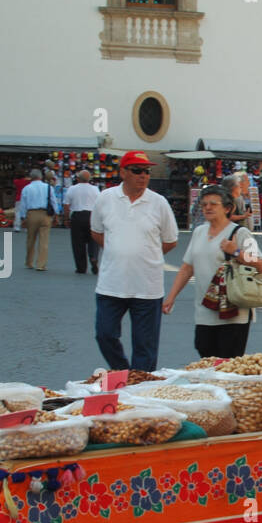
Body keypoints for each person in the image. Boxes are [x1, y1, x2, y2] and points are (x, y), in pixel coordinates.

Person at [90, 150, 178, 371]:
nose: (143, 175)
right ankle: (123, 371)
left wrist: (147, 255)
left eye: (147, 171)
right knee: (105, 334)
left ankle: (140, 386)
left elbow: (170, 240)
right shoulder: (105, 199)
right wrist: (118, 251)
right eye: (137, 170)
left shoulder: (159, 203)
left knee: (145, 345)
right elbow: (97, 232)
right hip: (112, 284)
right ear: (123, 172)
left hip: (147, 286)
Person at [164, 184, 262, 359]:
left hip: (233, 310)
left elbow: (260, 264)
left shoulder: (240, 233)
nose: (208, 208)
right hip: (205, 307)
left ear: (227, 208)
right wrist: (171, 297)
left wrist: (236, 252)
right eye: (204, 204)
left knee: (228, 360)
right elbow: (187, 267)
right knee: (204, 349)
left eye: (213, 204)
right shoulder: (199, 232)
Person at [63, 169, 101, 275]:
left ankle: (81, 267)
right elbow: (99, 204)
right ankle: (93, 257)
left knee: (78, 243)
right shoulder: (95, 189)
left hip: (78, 216)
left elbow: (66, 204)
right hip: (91, 215)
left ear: (78, 178)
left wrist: (66, 218)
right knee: (93, 239)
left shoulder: (72, 189)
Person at [18, 169, 53, 270]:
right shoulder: (48, 187)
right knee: (44, 240)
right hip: (45, 214)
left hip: (31, 213)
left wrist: (22, 217)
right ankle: (41, 264)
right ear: (41, 177)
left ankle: (29, 262)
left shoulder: (26, 188)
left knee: (30, 239)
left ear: (31, 177)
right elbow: (53, 201)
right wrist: (56, 214)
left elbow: (23, 204)